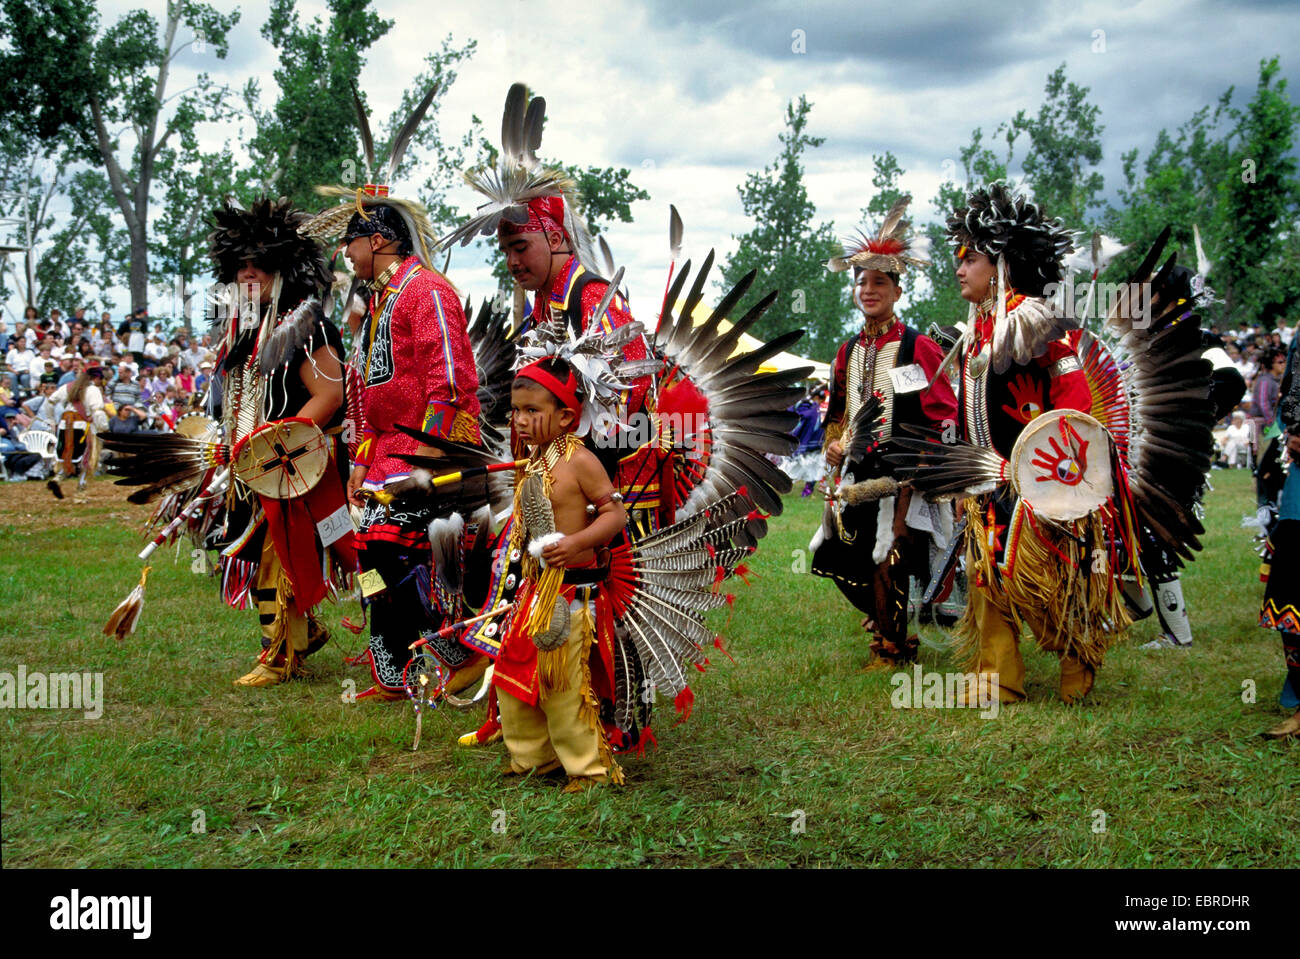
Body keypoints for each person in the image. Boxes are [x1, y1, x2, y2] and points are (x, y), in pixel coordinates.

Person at [303, 145, 484, 701]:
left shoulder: (425, 291)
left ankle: (462, 655)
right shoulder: (377, 305)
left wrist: (432, 453)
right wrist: (359, 463)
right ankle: (394, 671)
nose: (346, 252)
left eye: (351, 242)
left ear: (378, 240)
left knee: (391, 551)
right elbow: (362, 400)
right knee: (369, 560)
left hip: (427, 449)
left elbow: (451, 379)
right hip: (385, 453)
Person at [810, 195, 958, 669]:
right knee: (838, 555)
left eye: (878, 282)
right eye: (861, 282)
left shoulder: (918, 347)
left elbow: (943, 414)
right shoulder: (846, 350)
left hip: (902, 475)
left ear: (897, 290)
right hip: (856, 474)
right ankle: (882, 618)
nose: (867, 290)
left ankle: (892, 647)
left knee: (889, 558)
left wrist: (920, 465)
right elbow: (837, 412)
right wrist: (834, 442)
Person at [493, 358, 627, 791]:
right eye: (516, 412)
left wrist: (579, 542)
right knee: (511, 675)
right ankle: (534, 756)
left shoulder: (581, 460)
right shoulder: (533, 461)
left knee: (564, 686)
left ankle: (589, 769)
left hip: (572, 596)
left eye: (533, 411)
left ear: (567, 416)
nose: (521, 421)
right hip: (536, 592)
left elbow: (616, 513)